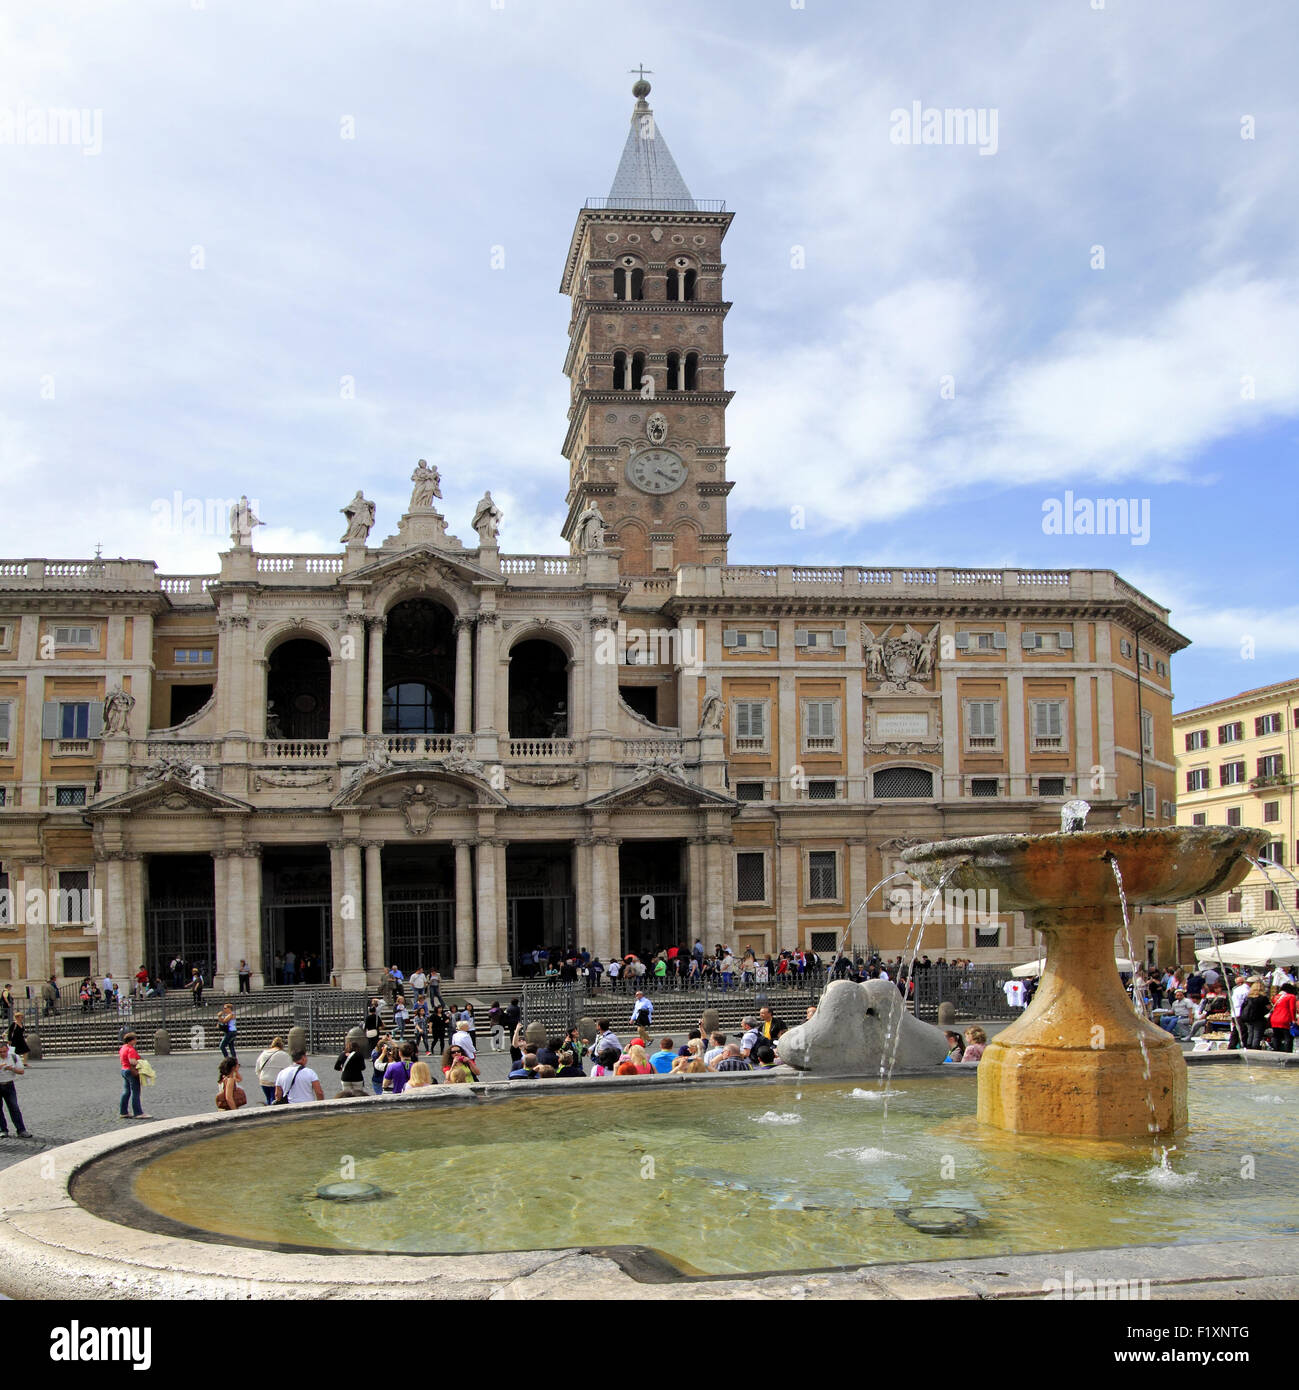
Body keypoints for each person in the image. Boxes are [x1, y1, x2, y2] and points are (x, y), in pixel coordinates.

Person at [0, 1039, 31, 1137]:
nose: (3, 1054)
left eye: (4, 1051)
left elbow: (21, 1071)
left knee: (14, 1107)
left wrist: (12, 1068)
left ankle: (21, 1130)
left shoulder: (14, 1057)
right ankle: (3, 1130)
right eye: (0, 1052)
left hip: (9, 1085)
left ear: (8, 1049)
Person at [255, 1037, 293, 1105]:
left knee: (268, 1098)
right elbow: (289, 1070)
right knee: (274, 1100)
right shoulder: (284, 1055)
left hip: (263, 1080)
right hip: (275, 1081)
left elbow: (257, 1068)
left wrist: (260, 1076)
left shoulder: (264, 1053)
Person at [119, 1032, 148, 1119]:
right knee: (136, 1092)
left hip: (124, 1070)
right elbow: (132, 1061)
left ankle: (123, 1112)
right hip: (131, 1071)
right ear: (131, 1041)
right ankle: (138, 1112)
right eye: (135, 1039)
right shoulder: (131, 1049)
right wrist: (141, 1063)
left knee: (126, 1092)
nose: (136, 1041)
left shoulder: (123, 1048)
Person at [1240, 981, 1271, 1050]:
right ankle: (1255, 1048)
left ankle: (1248, 1047)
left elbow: (1242, 1007)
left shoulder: (1248, 997)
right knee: (1257, 1034)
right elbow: (1269, 1008)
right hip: (1258, 1018)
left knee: (1250, 1033)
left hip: (1248, 1018)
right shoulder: (1263, 998)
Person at [1269, 983, 1297, 1053]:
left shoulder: (1276, 997)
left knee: (1276, 1036)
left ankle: (1276, 1051)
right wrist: (1293, 1019)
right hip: (1285, 1018)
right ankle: (1287, 1052)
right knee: (1288, 1037)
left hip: (1274, 1018)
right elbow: (1292, 1009)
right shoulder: (1291, 996)